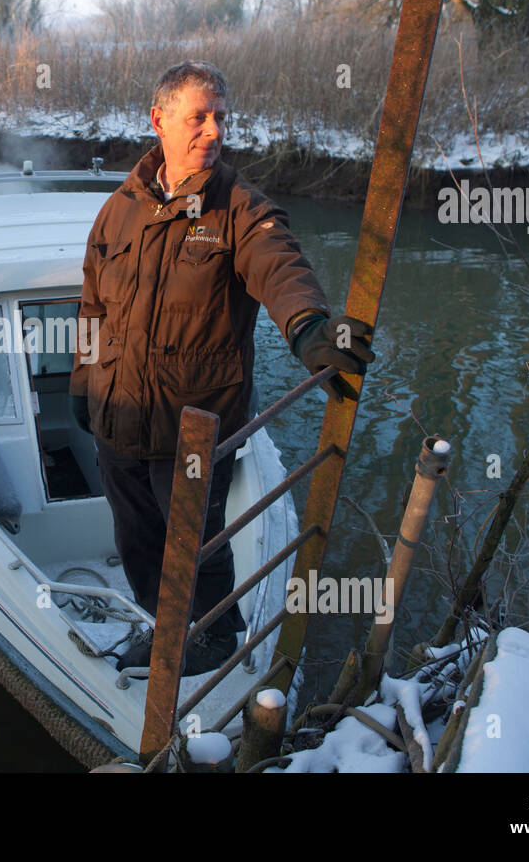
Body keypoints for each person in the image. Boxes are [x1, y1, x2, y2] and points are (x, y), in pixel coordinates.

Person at [68, 60, 374, 676]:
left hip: (192, 425)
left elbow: (279, 267)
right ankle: (162, 629)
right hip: (118, 420)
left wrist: (310, 325)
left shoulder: (240, 208)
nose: (212, 131)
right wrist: (83, 381)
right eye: (198, 117)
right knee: (138, 542)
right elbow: (93, 305)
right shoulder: (119, 209)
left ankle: (211, 638)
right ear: (158, 120)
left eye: (220, 118)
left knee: (196, 546)